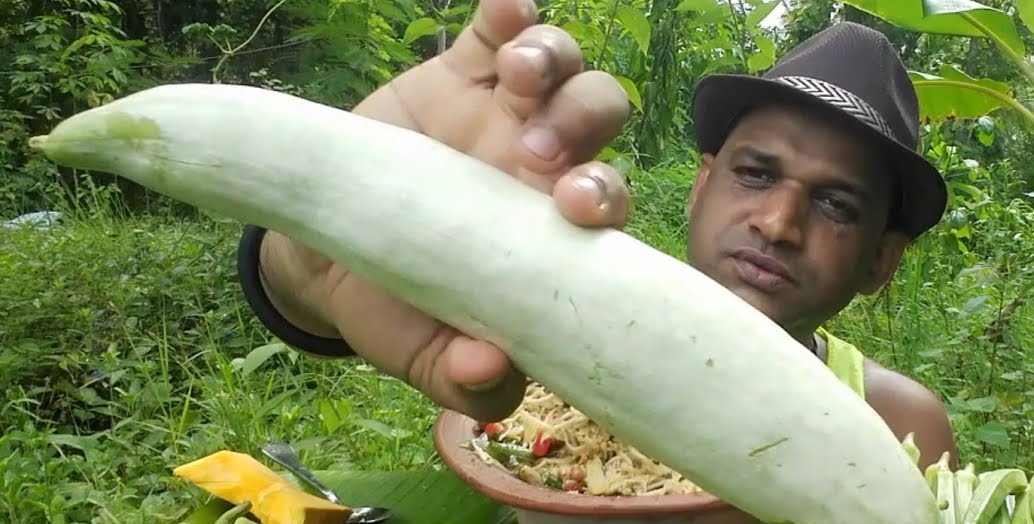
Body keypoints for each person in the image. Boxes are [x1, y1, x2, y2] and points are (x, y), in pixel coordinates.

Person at [235, 0, 960, 470]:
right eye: (755, 174)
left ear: (882, 262)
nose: (777, 225)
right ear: (702, 184)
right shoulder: (555, 336)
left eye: (837, 206)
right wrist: (313, 247)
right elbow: (311, 294)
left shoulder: (898, 432)